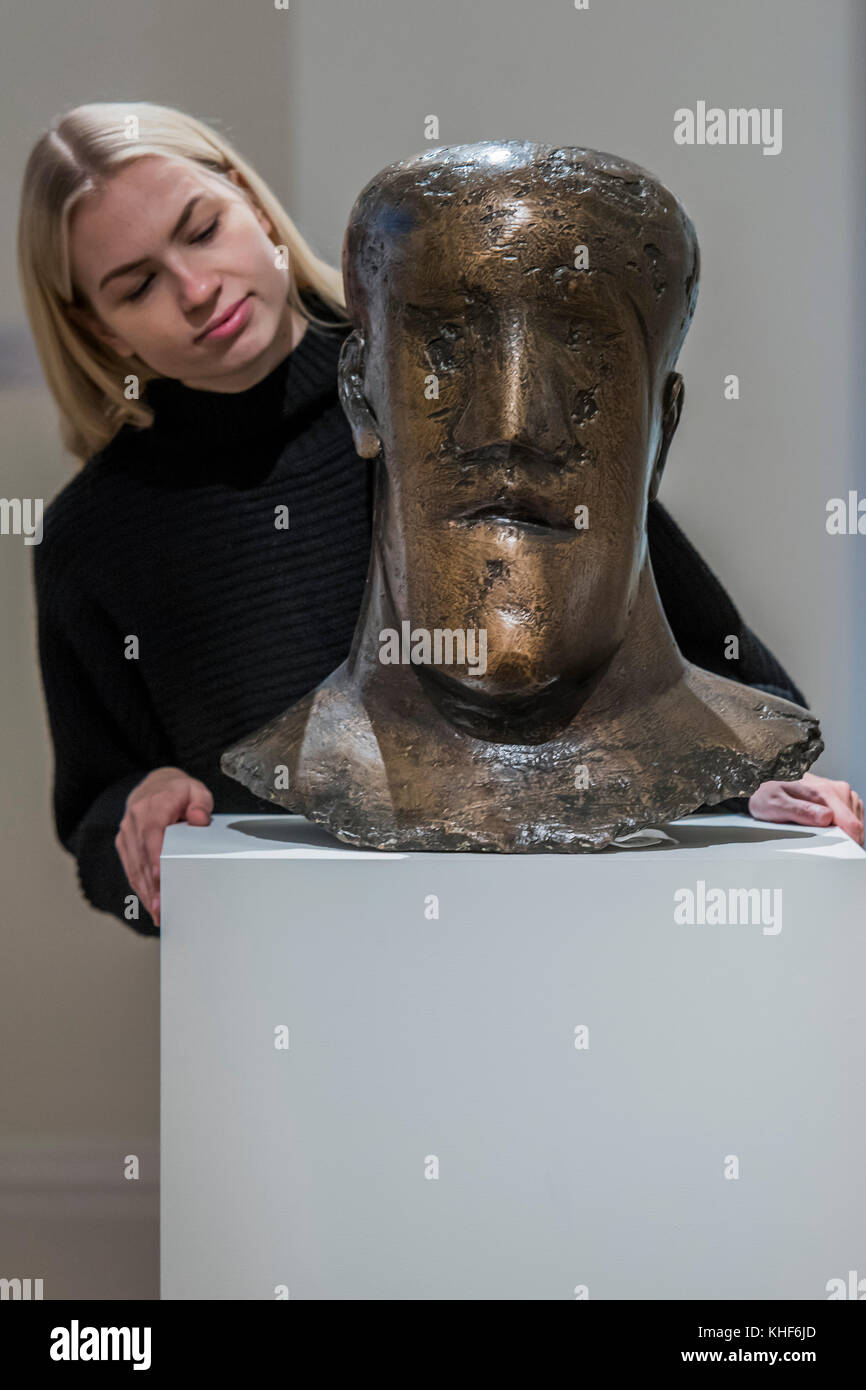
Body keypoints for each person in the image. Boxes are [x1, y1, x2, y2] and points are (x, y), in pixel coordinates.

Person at [18, 101, 863, 937]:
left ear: (247, 200)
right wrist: (139, 817)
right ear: (96, 328)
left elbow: (720, 677)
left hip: (589, 939)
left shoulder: (460, 398)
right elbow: (98, 809)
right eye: (138, 285)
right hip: (314, 963)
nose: (198, 291)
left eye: (201, 230)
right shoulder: (98, 538)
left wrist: (745, 790)